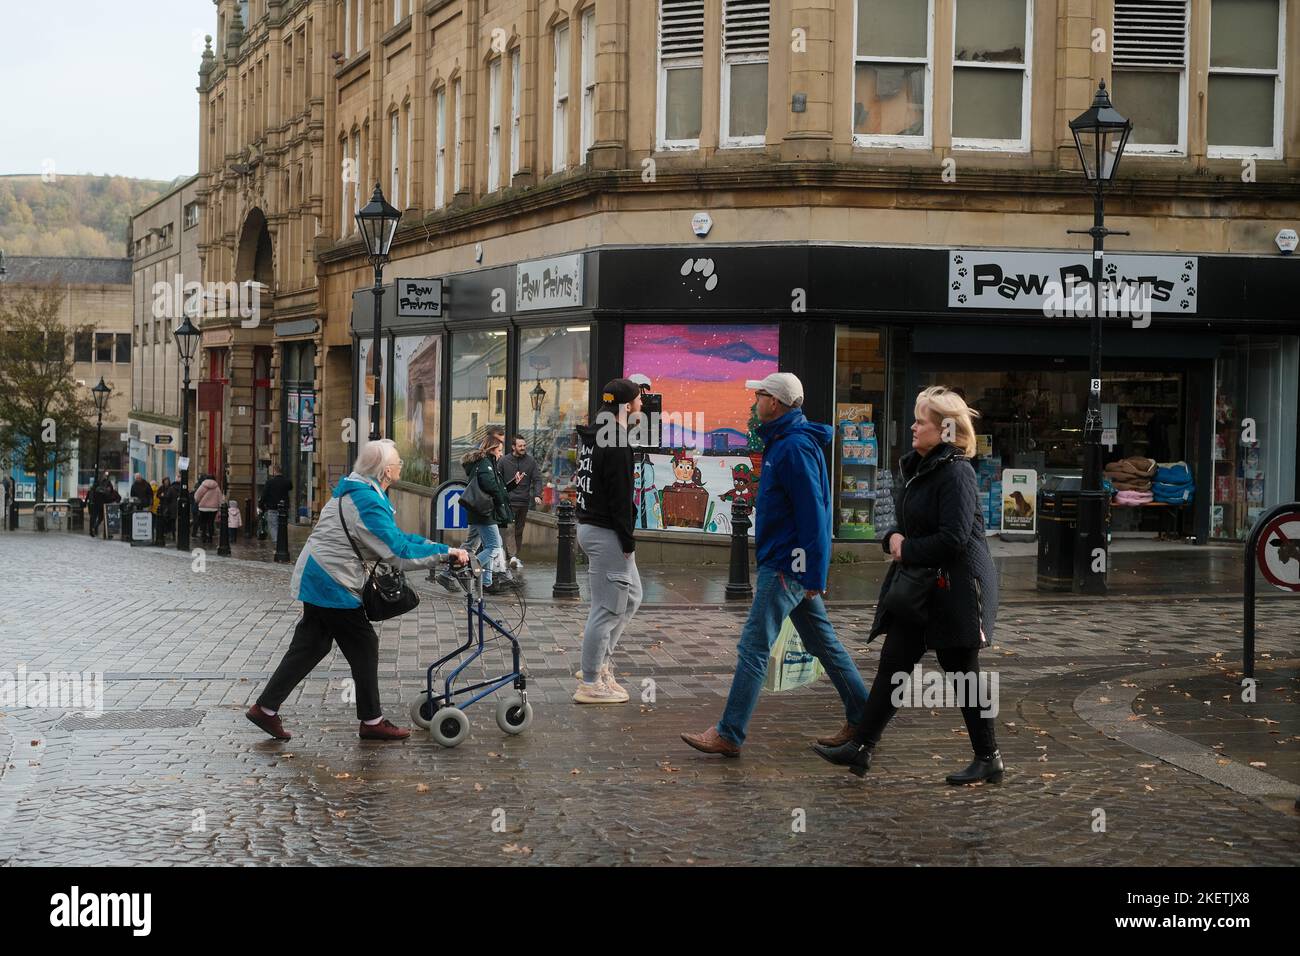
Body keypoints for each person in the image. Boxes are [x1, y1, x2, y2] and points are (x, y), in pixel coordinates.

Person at [813, 385, 1002, 784]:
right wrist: (892, 539)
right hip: (920, 588)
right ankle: (861, 747)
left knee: (963, 675)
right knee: (893, 668)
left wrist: (904, 548)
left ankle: (989, 757)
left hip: (955, 590)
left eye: (921, 421)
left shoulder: (957, 472)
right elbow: (904, 524)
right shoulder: (921, 466)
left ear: (945, 430)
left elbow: (953, 538)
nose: (913, 427)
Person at [681, 373, 870, 756]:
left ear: (777, 402)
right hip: (791, 563)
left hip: (786, 565)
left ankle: (729, 733)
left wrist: (814, 572)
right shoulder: (784, 441)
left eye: (760, 394)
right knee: (824, 643)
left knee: (753, 646)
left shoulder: (793, 447)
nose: (755, 400)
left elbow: (814, 514)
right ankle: (866, 716)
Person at [247, 439, 469, 742]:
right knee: (363, 645)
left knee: (310, 646)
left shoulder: (360, 493)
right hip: (331, 582)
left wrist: (441, 548)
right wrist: (446, 554)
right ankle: (372, 721)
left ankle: (265, 709)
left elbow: (396, 538)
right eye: (398, 461)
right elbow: (398, 552)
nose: (401, 465)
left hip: (319, 576)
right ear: (386, 470)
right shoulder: (366, 501)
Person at [571, 378, 644, 705]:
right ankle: (590, 681)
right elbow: (620, 498)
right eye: (639, 400)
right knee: (607, 608)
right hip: (607, 533)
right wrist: (627, 542)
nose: (642, 405)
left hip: (595, 528)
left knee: (630, 598)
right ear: (627, 406)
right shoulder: (616, 441)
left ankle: (600, 663)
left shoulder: (594, 434)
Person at [461, 434, 519, 594]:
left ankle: (485, 582)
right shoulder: (485, 463)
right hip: (484, 511)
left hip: (480, 511)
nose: (501, 454)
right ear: (492, 449)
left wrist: (511, 485)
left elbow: (497, 486)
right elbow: (491, 486)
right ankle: (468, 569)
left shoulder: (486, 463)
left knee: (471, 545)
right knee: (494, 546)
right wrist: (501, 502)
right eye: (499, 450)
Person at [497, 435, 543, 568]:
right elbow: (497, 478)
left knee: (519, 530)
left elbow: (537, 479)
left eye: (524, 445)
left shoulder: (531, 461)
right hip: (509, 501)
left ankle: (515, 556)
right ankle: (512, 557)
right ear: (513, 447)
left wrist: (537, 494)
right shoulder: (504, 461)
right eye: (520, 446)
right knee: (510, 529)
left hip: (523, 502)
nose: (523, 448)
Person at [194, 474, 222, 544]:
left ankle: (203, 536)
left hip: (203, 507)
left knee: (203, 522)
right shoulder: (216, 487)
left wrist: (198, 501)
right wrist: (220, 507)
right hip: (213, 508)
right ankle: (210, 538)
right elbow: (220, 498)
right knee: (211, 523)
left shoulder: (203, 486)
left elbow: (197, 495)